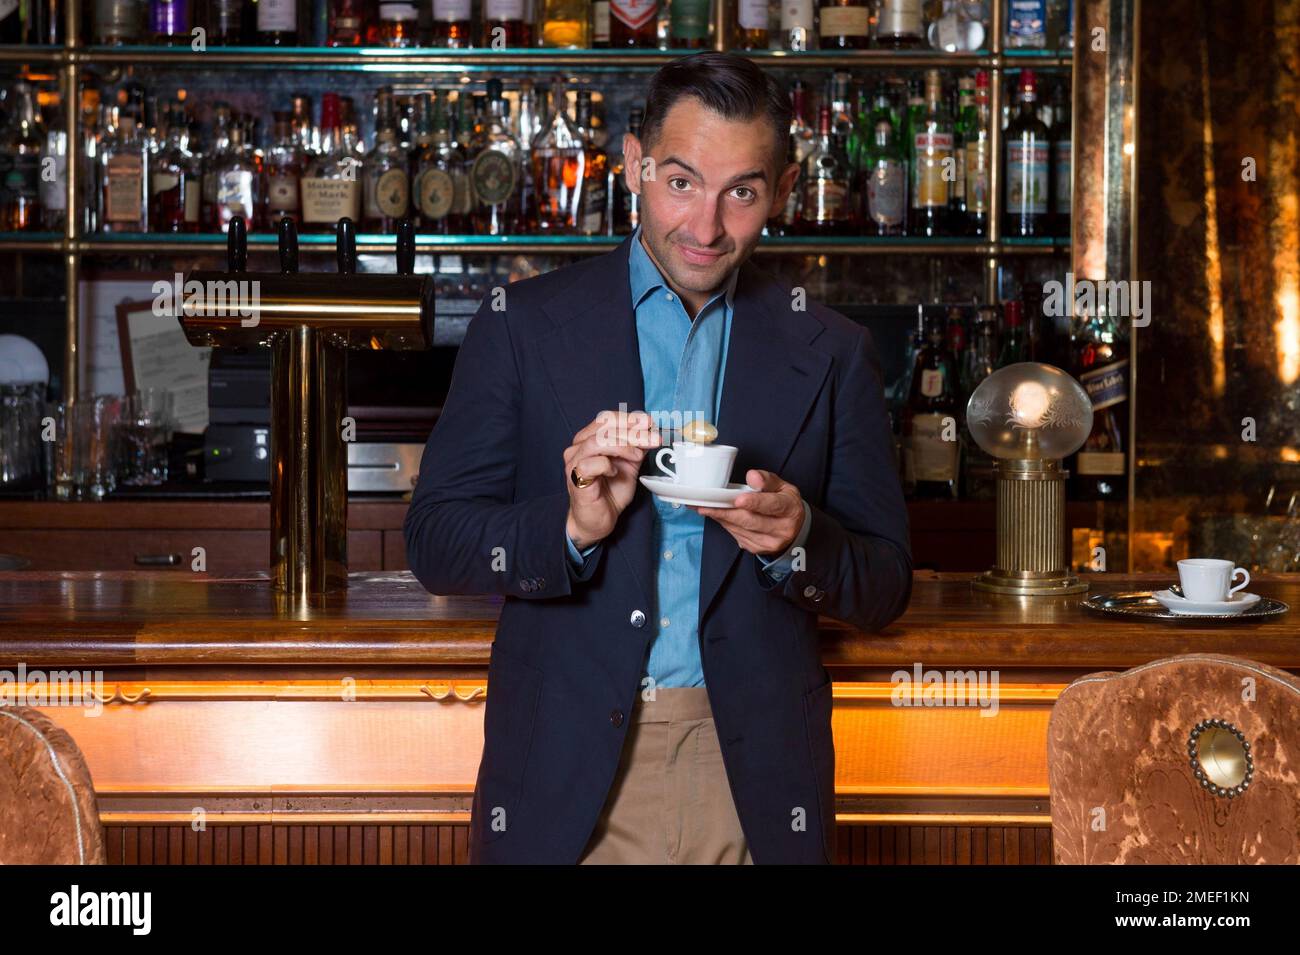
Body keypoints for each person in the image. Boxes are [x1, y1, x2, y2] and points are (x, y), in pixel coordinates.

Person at [404, 52, 912, 864]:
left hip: (753, 775)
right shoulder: (522, 326)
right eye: (681, 182)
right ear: (635, 166)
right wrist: (570, 528)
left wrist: (799, 540)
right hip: (569, 777)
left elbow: (884, 583)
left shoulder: (833, 351)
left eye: (741, 192)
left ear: (780, 192)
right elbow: (436, 541)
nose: (706, 227)